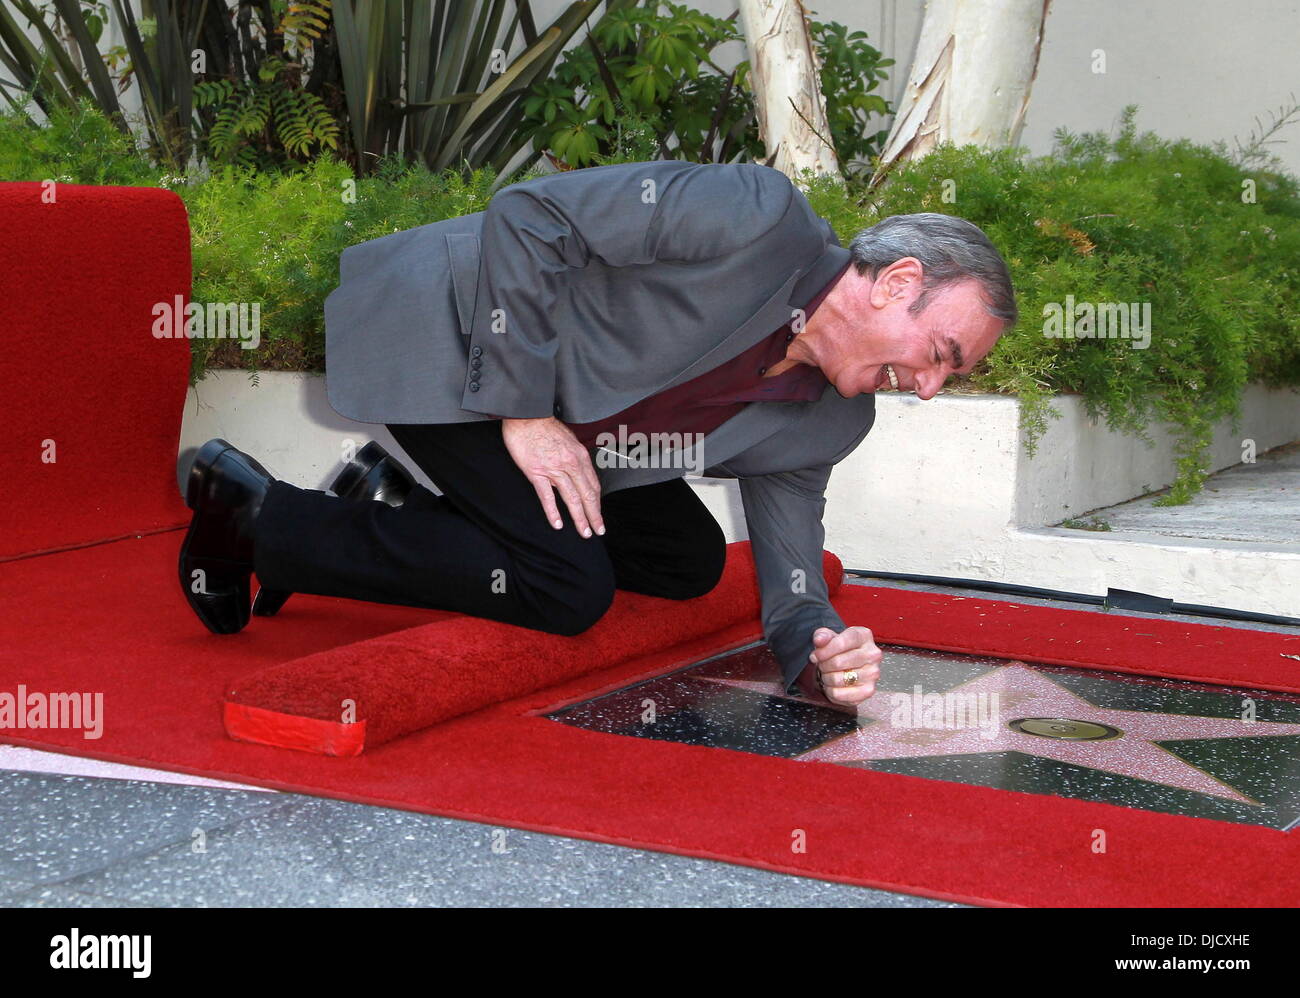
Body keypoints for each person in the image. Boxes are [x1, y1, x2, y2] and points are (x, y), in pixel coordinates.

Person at [178, 160, 1016, 708]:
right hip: (460, 343)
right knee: (566, 589)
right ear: (895, 281)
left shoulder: (834, 416)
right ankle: (260, 518)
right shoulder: (758, 218)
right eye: (940, 354)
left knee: (683, 563)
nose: (932, 389)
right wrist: (526, 409)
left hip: (569, 434)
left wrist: (819, 652)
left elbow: (792, 577)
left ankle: (406, 508)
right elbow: (533, 214)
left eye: (954, 376)